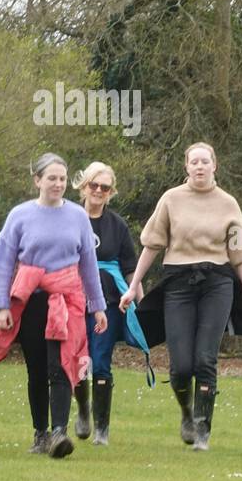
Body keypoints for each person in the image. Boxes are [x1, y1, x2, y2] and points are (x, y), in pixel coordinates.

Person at [120, 142, 242, 451]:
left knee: (204, 359)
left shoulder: (228, 204)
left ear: (214, 166)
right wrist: (133, 286)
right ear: (186, 167)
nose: (199, 166)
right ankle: (186, 413)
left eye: (204, 161)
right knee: (181, 365)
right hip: (178, 284)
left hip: (217, 284)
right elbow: (153, 245)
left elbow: (240, 256)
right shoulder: (171, 200)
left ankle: (203, 428)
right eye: (193, 161)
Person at [0, 153, 107, 458]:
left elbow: (88, 263)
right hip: (31, 301)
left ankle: (59, 433)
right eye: (51, 178)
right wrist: (1, 306)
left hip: (66, 301)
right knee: (36, 369)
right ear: (37, 181)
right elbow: (3, 264)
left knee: (60, 364)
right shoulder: (19, 216)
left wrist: (97, 306)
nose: (58, 184)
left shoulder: (78, 217)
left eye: (62, 178)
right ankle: (40, 433)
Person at [71, 161, 143, 446]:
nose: (99, 191)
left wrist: (138, 297)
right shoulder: (70, 218)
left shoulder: (118, 225)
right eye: (94, 185)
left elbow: (130, 267)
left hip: (109, 303)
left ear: (111, 192)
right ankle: (83, 411)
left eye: (105, 187)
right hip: (73, 300)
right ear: (83, 187)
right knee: (77, 362)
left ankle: (101, 429)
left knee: (100, 363)